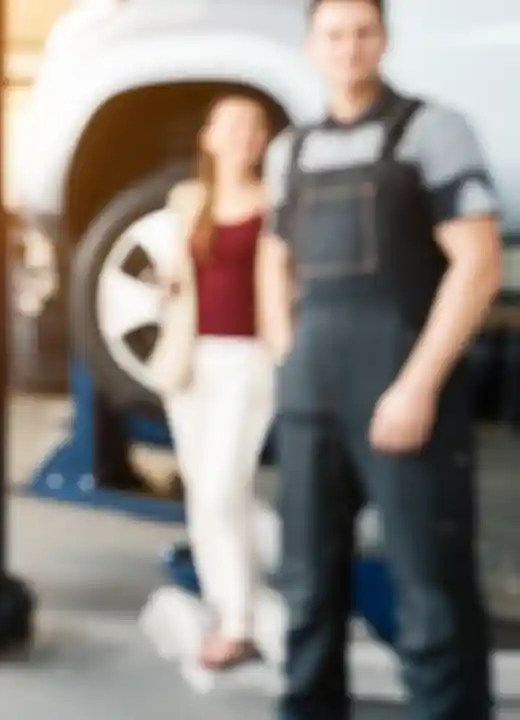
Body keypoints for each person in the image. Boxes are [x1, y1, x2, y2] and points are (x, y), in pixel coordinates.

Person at [261, 0, 503, 717]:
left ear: (385, 40)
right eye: (333, 34)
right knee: (305, 587)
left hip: (403, 388)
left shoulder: (432, 130)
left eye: (363, 32)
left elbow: (478, 264)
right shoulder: (291, 151)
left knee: (430, 591)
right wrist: (286, 354)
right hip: (312, 394)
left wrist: (418, 385)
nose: (348, 47)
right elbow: (274, 262)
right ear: (311, 45)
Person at [149, 94, 278, 670]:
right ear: (209, 137)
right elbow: (175, 279)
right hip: (190, 362)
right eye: (231, 125)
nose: (243, 136)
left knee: (225, 489)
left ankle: (239, 621)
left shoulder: (275, 205)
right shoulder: (187, 203)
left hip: (247, 362)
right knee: (205, 497)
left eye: (253, 127)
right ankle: (227, 604)